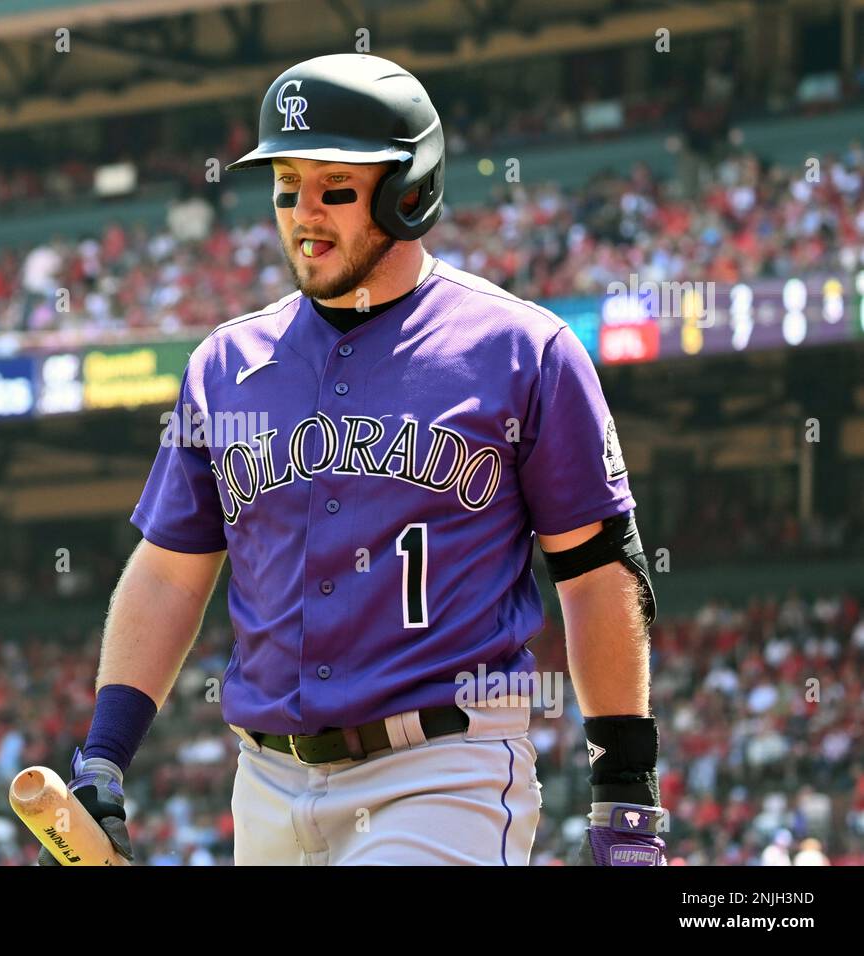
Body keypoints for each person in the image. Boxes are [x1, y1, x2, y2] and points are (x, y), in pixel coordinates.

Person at [39, 53, 664, 866]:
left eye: (335, 187)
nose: (304, 213)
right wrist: (104, 758)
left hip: (443, 775)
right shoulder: (225, 366)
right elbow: (166, 574)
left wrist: (626, 793)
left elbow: (597, 571)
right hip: (264, 788)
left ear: (410, 190)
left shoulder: (521, 351)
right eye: (286, 185)